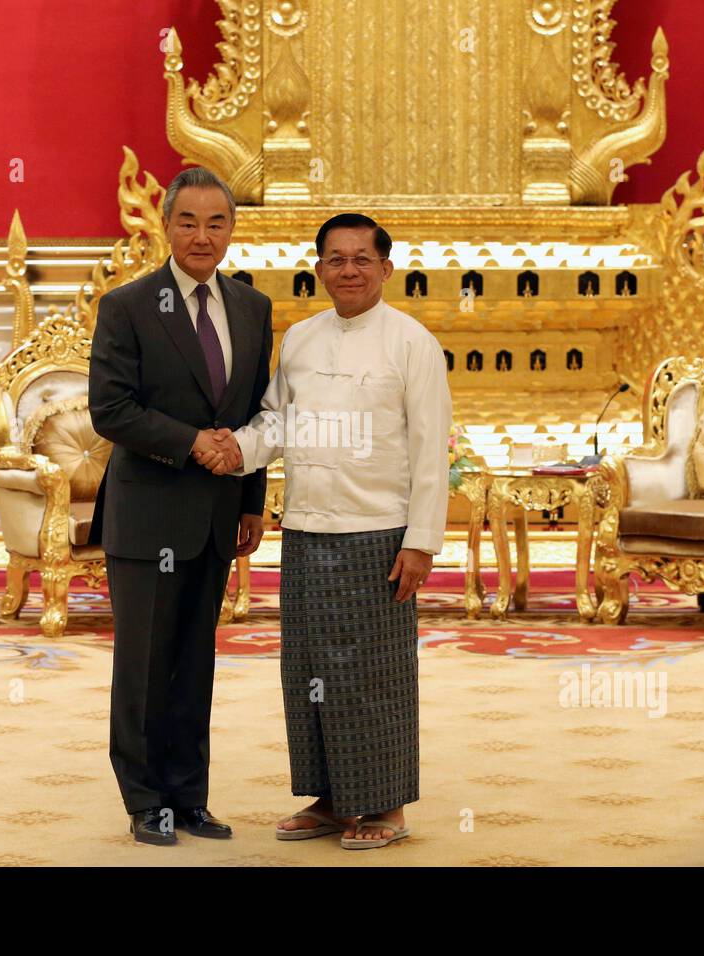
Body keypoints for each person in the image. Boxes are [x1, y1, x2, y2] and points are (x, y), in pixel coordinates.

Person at [195, 213, 451, 849]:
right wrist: (236, 450)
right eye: (336, 259)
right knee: (309, 671)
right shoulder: (303, 340)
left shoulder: (412, 343)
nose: (350, 271)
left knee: (374, 674)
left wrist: (421, 540)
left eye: (363, 259)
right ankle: (332, 799)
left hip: (379, 534)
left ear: (387, 268)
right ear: (319, 270)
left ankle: (386, 808)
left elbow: (429, 451)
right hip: (308, 530)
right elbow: (276, 424)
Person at [87, 167, 270, 845]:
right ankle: (145, 801)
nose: (202, 235)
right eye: (188, 221)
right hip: (148, 516)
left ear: (231, 230)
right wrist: (192, 442)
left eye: (216, 222)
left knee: (196, 663)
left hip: (219, 518)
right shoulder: (128, 305)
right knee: (143, 665)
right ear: (164, 226)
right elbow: (111, 409)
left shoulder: (252, 308)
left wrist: (252, 497)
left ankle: (190, 796)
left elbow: (253, 414)